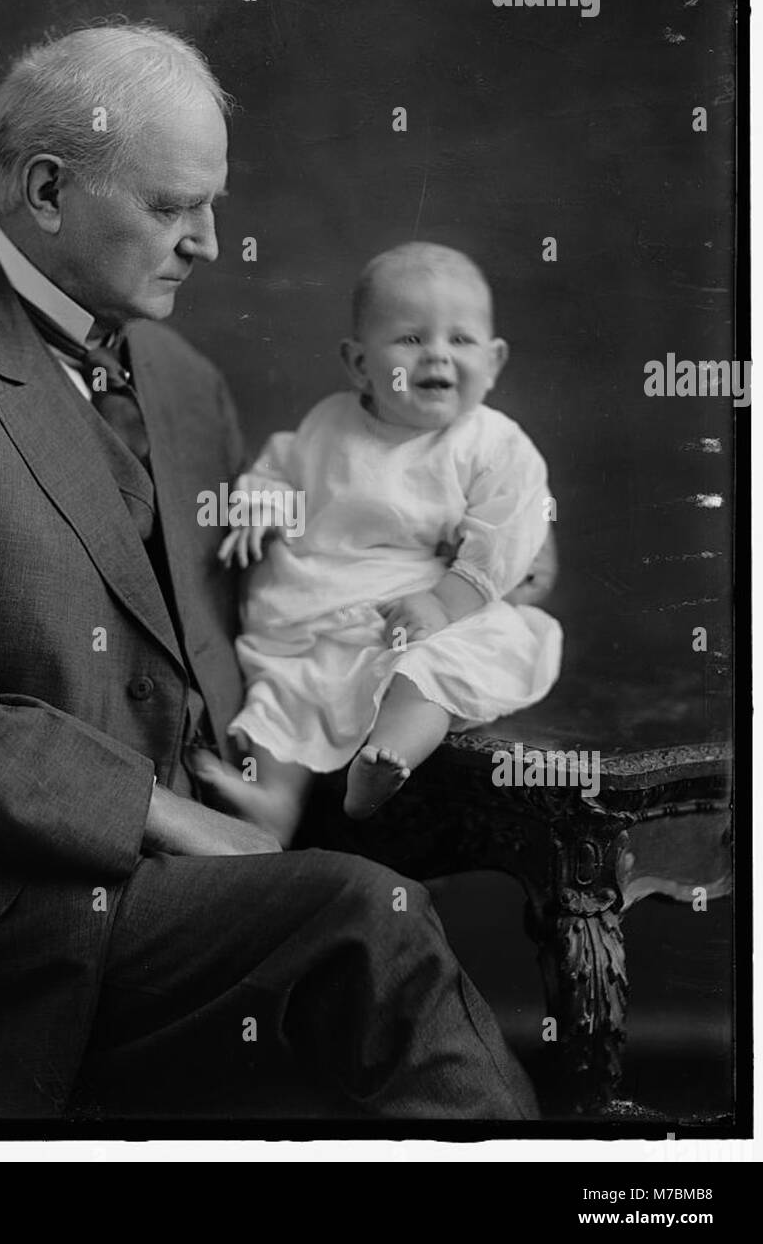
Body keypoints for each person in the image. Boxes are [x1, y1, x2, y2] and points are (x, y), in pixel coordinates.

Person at [0, 23, 544, 1123]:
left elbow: (261, 618)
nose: (210, 242)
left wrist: (463, 589)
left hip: (199, 870)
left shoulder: (180, 379)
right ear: (45, 190)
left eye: (210, 204)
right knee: (369, 920)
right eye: (174, 208)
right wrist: (169, 819)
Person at [198, 243, 563, 846]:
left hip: (424, 612)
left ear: (494, 362)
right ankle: (274, 804)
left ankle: (387, 758)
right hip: (317, 614)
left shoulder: (492, 445)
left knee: (430, 670)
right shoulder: (328, 424)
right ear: (358, 362)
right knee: (282, 694)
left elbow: (508, 534)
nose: (438, 354)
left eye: (462, 341)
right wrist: (263, 504)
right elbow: (282, 467)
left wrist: (443, 603)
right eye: (411, 339)